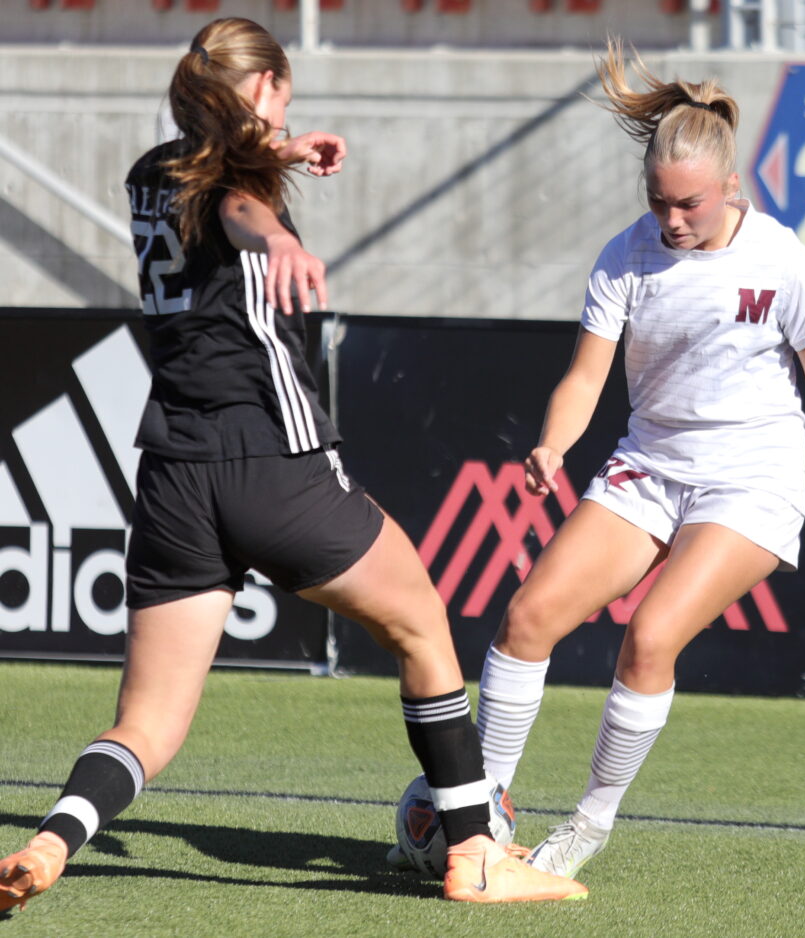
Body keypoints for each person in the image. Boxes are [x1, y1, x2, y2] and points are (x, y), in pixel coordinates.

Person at [0, 17, 585, 910]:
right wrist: (276, 236)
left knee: (148, 723)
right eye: (284, 96)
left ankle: (52, 839)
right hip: (271, 459)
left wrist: (285, 149)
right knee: (423, 628)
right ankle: (475, 853)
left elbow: (220, 175)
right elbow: (237, 206)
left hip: (171, 470)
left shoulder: (150, 173)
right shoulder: (238, 192)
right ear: (265, 86)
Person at [473, 38, 805, 880]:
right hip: (650, 466)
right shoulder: (625, 257)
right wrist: (554, 443)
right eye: (659, 202)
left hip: (753, 478)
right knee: (526, 620)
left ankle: (588, 823)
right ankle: (479, 808)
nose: (671, 221)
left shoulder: (781, 261)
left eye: (689, 205)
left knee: (651, 636)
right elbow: (586, 375)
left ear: (730, 186)